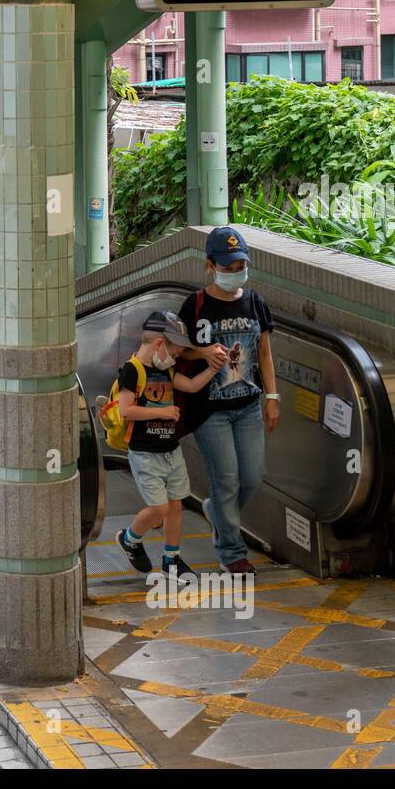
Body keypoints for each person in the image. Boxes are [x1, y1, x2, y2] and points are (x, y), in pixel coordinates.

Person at [178, 226, 280, 575]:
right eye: (228, 266)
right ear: (210, 265)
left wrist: (273, 397)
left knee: (252, 477)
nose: (236, 272)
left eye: (240, 266)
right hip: (210, 410)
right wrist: (202, 351)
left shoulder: (255, 302)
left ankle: (217, 513)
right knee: (226, 479)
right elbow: (176, 349)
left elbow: (265, 351)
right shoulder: (196, 305)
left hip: (249, 405)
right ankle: (231, 552)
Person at [114, 311, 220, 583]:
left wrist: (213, 368)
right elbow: (126, 411)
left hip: (171, 451)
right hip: (145, 453)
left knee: (175, 505)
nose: (176, 357)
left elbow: (193, 386)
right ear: (160, 344)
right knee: (159, 509)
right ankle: (129, 538)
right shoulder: (132, 370)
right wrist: (160, 413)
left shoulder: (166, 370)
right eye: (175, 351)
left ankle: (171, 560)